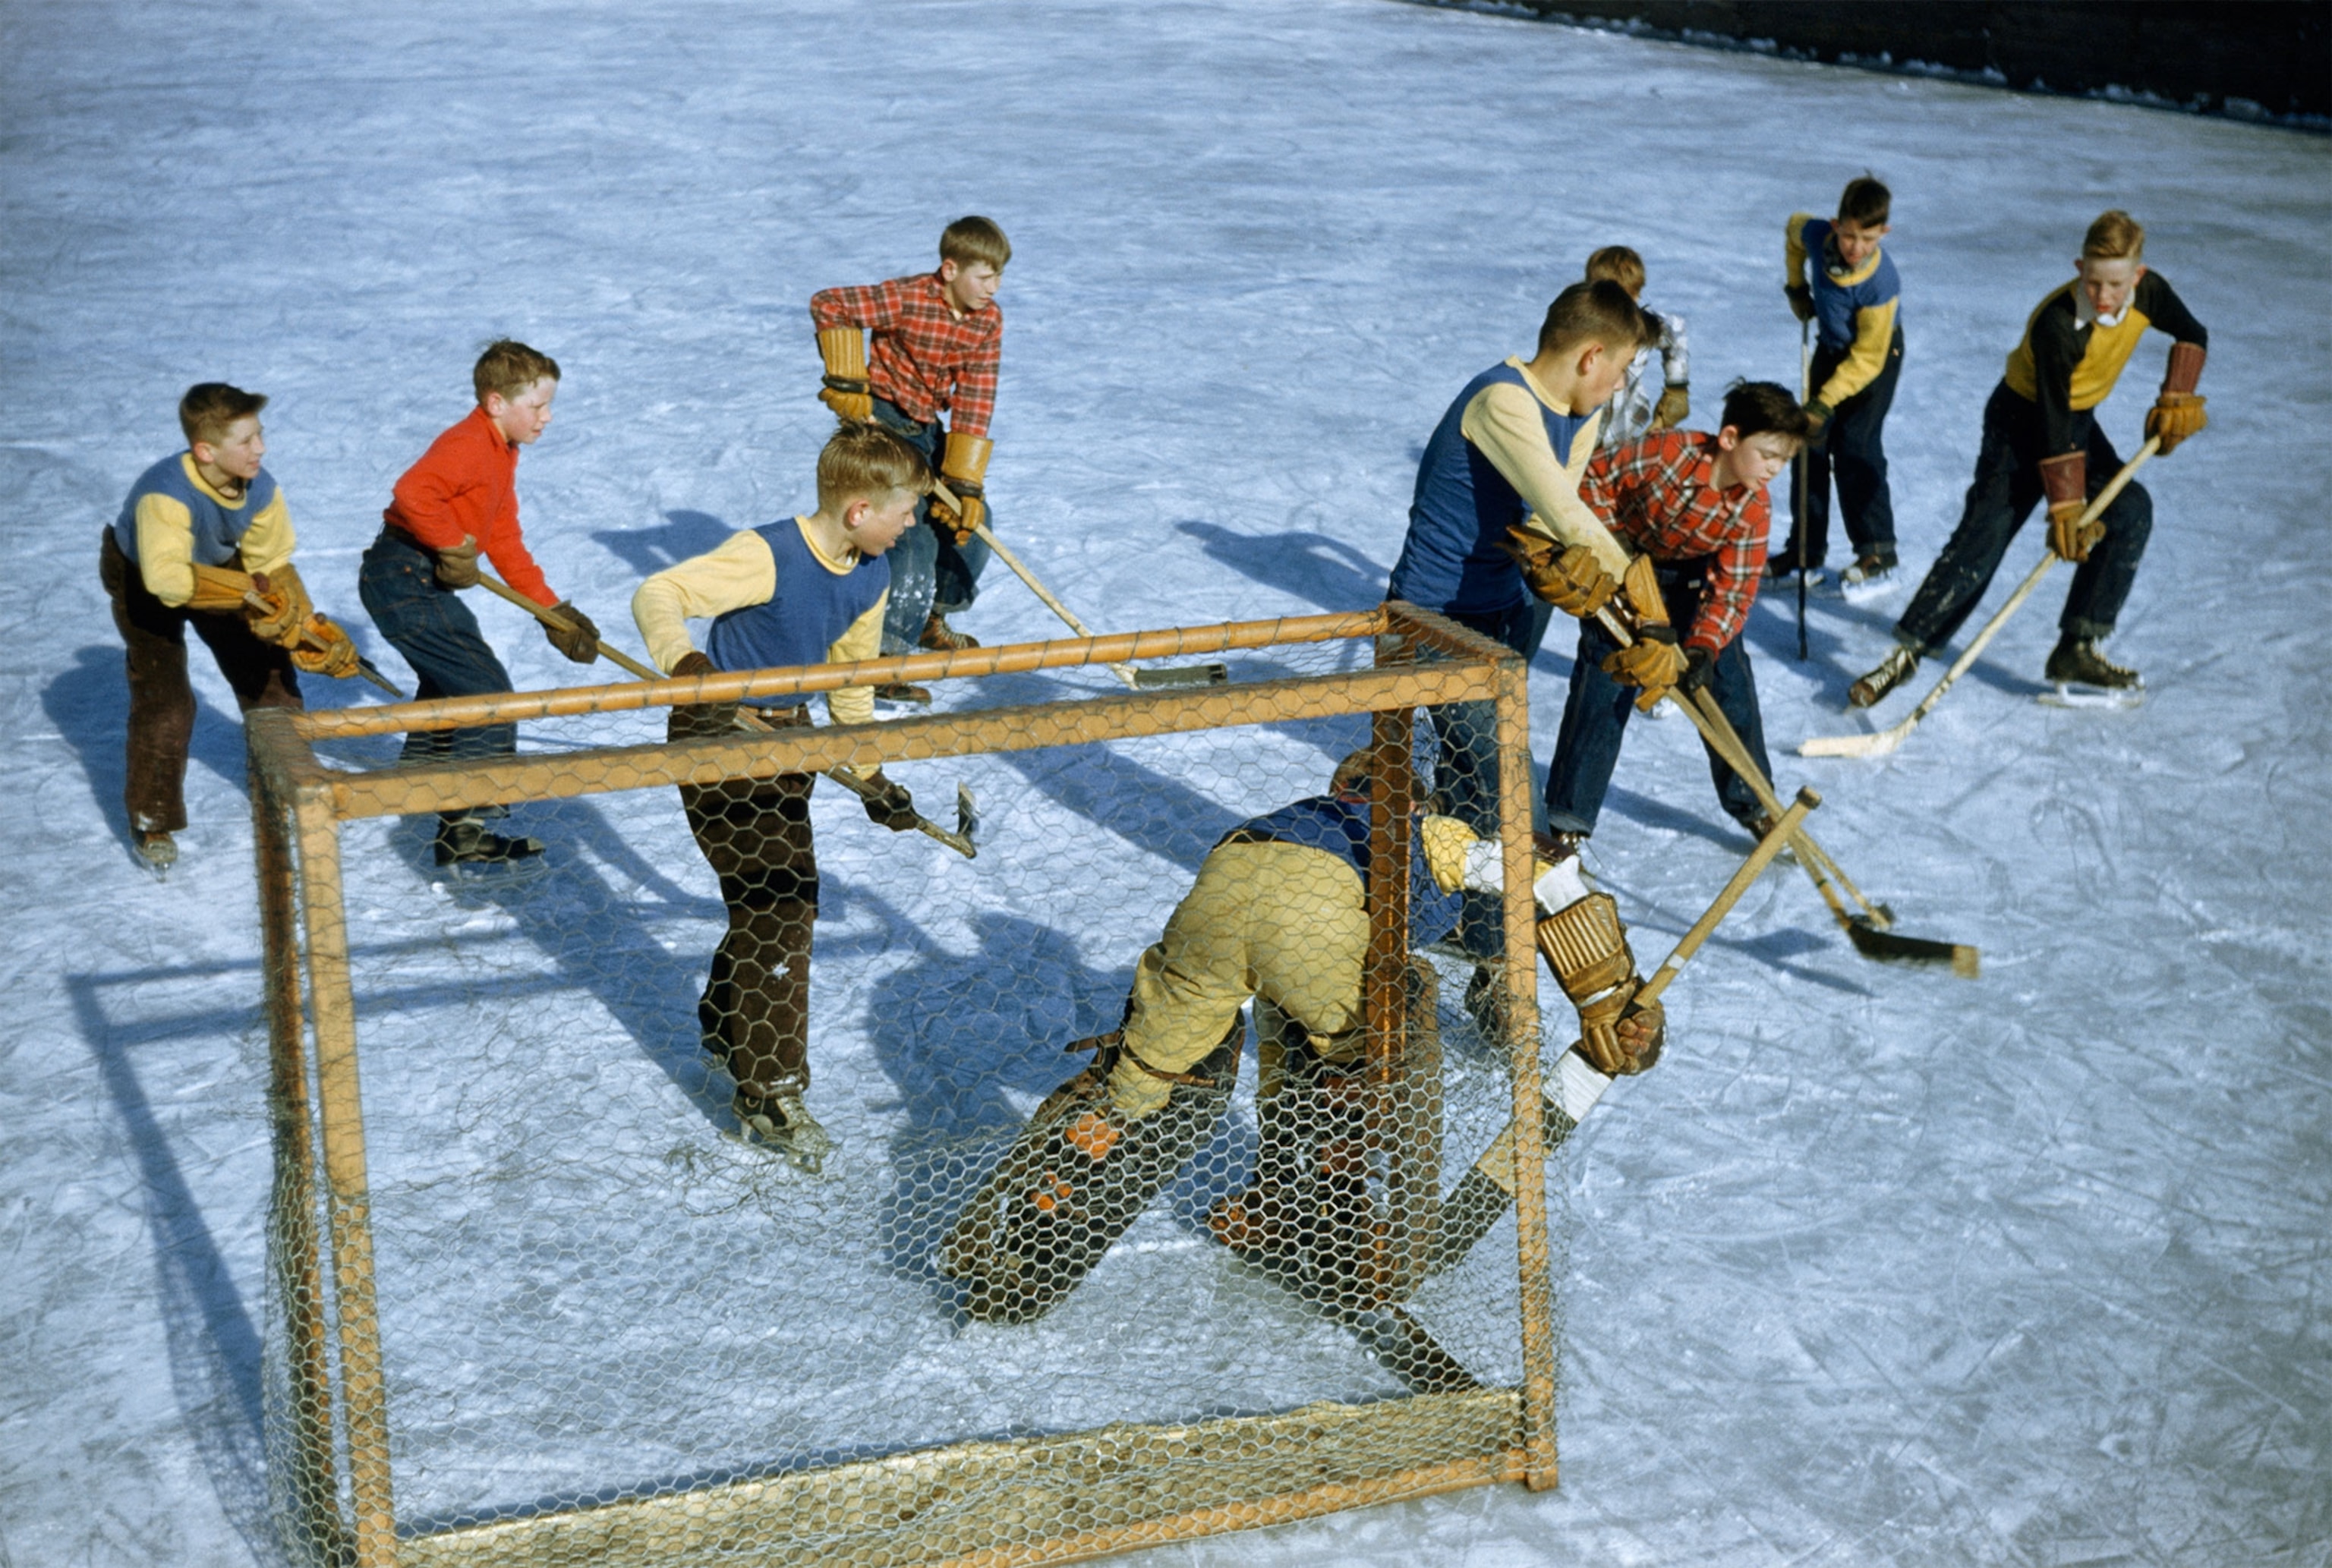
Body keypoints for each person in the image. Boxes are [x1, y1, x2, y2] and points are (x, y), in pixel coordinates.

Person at [937, 748, 1665, 1325]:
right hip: (1314, 917)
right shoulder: (1415, 826)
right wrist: (1609, 996)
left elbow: (1256, 900)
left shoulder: (1293, 813)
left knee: (1151, 1077)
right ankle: (1353, 1232)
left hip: (1219, 890)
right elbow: (1540, 872)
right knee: (1368, 1053)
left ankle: (1037, 1225)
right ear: (1412, 800)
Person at [631, 421, 931, 1173]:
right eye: (906, 510)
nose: (914, 522)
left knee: (772, 897)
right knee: (781, 901)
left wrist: (871, 778)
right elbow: (658, 591)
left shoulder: (869, 574)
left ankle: (724, 1019)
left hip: (787, 740)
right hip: (716, 732)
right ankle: (767, 1085)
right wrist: (692, 666)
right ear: (860, 508)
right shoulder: (768, 553)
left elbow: (850, 684)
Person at [1384, 279, 1649, 991]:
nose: (1623, 385)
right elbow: (1566, 512)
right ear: (1592, 355)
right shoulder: (1501, 399)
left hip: (1497, 622)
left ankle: (1480, 945)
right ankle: (1500, 962)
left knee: (1477, 782)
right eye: (1622, 369)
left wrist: (1618, 616)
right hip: (1430, 621)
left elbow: (1545, 525)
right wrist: (1647, 612)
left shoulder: (1576, 414)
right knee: (1510, 787)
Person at [1849, 210, 2207, 706]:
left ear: (2138, 277)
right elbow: (2052, 424)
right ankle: (1906, 656)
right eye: (2094, 281)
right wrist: (2067, 506)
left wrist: (2177, 394)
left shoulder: (2151, 294)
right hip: (2020, 423)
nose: (2104, 297)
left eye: (2117, 285)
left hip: (2075, 422)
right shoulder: (2058, 324)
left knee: (2129, 511)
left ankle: (2077, 646)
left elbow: (2193, 333)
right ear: (2079, 266)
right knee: (1983, 537)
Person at [360, 340, 602, 867]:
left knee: (452, 687)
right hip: (402, 575)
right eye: (536, 406)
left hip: (417, 579)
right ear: (496, 403)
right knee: (487, 693)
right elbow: (413, 490)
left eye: (548, 405)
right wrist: (449, 542)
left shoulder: (501, 453)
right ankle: (464, 828)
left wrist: (550, 611)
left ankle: (418, 787)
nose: (547, 416)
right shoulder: (470, 443)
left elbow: (503, 538)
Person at [102, 383, 361, 871]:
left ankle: (290, 787)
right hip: (144, 577)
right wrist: (248, 596)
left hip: (218, 566)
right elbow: (170, 582)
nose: (260, 448)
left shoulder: (260, 485)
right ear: (206, 451)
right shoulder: (165, 496)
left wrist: (301, 625)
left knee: (270, 678)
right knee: (167, 701)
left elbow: (271, 561)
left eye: (259, 435)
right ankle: (153, 818)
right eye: (246, 441)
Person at [1543, 382, 1810, 844]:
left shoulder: (1754, 509)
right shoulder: (1665, 452)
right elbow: (1594, 482)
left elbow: (1731, 591)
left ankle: (1756, 803)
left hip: (1691, 588)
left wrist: (1704, 647)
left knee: (1730, 689)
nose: (1775, 469)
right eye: (1767, 454)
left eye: (1784, 460)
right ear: (1729, 439)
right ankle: (1568, 821)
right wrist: (1615, 553)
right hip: (1620, 569)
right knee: (1607, 682)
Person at [809, 216, 1010, 704]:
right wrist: (847, 381)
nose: (993, 288)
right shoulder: (907, 298)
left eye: (999, 277)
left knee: (969, 523)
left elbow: (977, 397)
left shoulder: (988, 320)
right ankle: (882, 660)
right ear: (949, 269)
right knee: (910, 539)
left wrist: (964, 480)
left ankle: (929, 619)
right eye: (984, 277)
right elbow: (830, 304)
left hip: (924, 430)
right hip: (878, 424)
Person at [1777, 175, 1905, 592]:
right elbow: (1795, 228)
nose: (1856, 247)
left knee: (1855, 444)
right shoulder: (1817, 236)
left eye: (1867, 239)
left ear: (1883, 233)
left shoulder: (1880, 282)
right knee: (1807, 443)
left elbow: (1868, 359)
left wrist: (1824, 401)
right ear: (1835, 225)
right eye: (1849, 236)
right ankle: (1804, 550)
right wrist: (1796, 286)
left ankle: (1877, 551)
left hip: (1876, 359)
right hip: (1832, 349)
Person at [1584, 245, 1691, 449]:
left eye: (1631, 298)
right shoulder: (1580, 330)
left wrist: (1677, 390)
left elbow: (1675, 329)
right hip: (1584, 434)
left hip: (1627, 427)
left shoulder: (1640, 325)